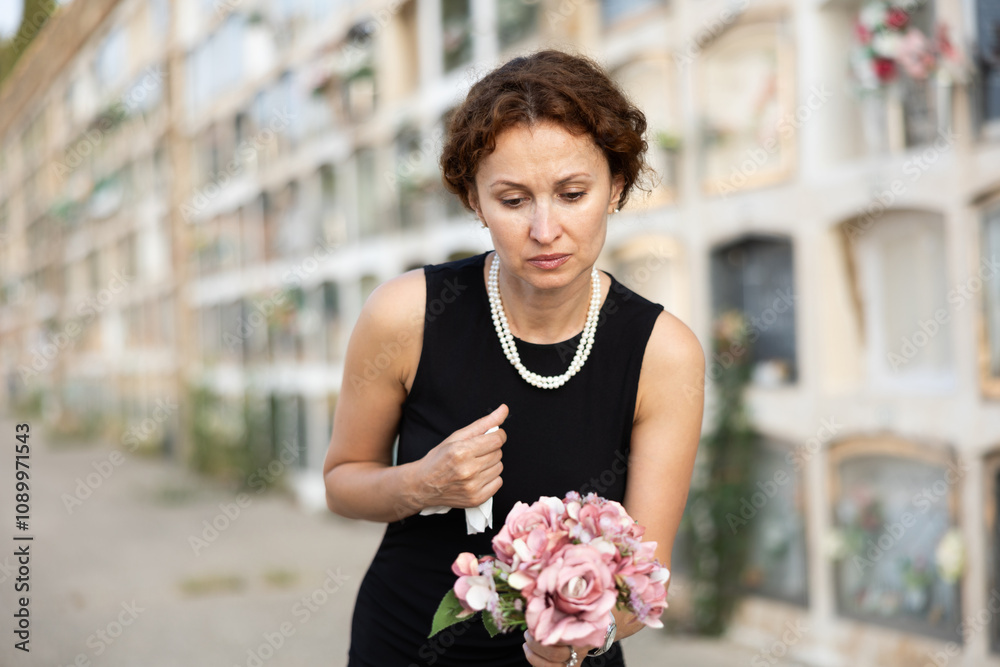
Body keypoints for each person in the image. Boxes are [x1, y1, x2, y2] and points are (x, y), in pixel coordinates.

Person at [323, 49, 705, 667]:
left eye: (573, 193)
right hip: (405, 643)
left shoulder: (663, 353)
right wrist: (421, 483)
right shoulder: (406, 315)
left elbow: (643, 575)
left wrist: (575, 643)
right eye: (513, 199)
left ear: (616, 186)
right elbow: (343, 483)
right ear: (475, 201)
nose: (545, 229)